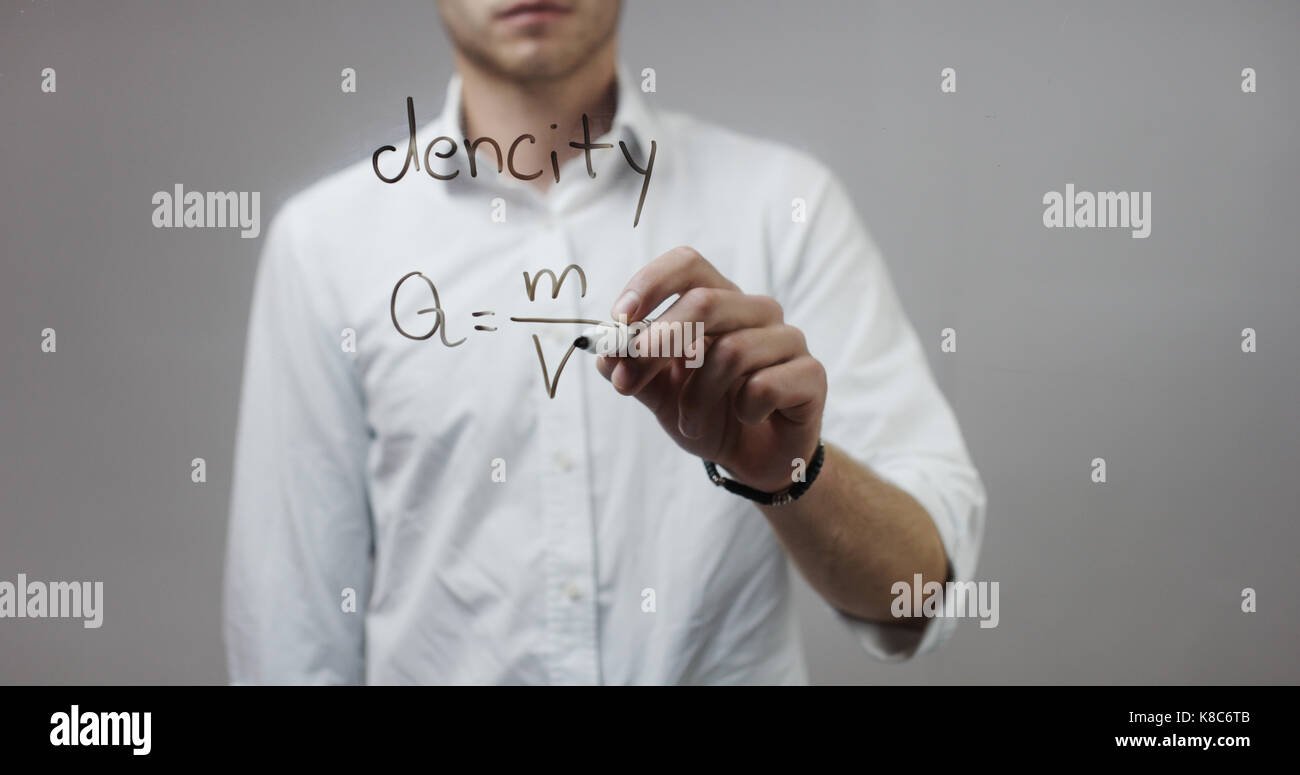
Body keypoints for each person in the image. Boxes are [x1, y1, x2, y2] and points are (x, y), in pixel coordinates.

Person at [223, 0, 986, 684]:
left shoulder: (784, 207)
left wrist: (790, 475)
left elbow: (923, 594)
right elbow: (291, 643)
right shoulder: (323, 248)